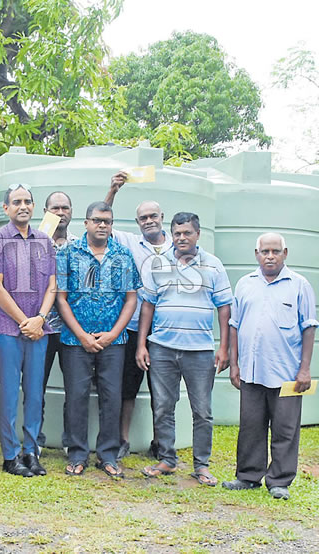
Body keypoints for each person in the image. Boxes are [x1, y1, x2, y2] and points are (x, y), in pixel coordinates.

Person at [136, 212, 232, 487]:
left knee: (202, 411)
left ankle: (201, 466)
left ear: (197, 234)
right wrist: (142, 344)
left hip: (199, 351)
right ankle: (167, 459)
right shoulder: (158, 264)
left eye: (187, 233)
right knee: (163, 407)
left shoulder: (213, 265)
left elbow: (224, 308)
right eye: (177, 233)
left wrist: (223, 347)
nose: (181, 238)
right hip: (162, 348)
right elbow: (148, 305)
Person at [222, 233, 317, 500]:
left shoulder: (299, 285)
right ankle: (248, 476)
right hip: (252, 370)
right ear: (257, 254)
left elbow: (309, 328)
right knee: (250, 426)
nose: (270, 256)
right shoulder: (245, 284)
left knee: (285, 429)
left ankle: (279, 481)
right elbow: (234, 325)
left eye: (276, 251)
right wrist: (234, 364)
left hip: (287, 373)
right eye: (265, 252)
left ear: (285, 253)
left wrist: (305, 369)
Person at [56, 201, 140, 478]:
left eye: (107, 221)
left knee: (111, 397)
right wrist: (81, 335)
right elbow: (61, 299)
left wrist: (114, 333)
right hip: (75, 340)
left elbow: (131, 299)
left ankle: (108, 454)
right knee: (76, 396)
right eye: (97, 220)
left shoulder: (122, 255)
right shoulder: (69, 253)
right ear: (86, 223)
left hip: (113, 341)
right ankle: (77, 453)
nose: (102, 225)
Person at [0, 184, 57, 477]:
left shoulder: (44, 241)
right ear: (6, 208)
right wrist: (24, 321)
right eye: (16, 202)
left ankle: (31, 452)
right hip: (8, 329)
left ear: (34, 206)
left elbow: (52, 285)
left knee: (35, 393)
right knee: (10, 393)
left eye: (27, 201)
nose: (23, 206)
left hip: (39, 330)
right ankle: (10, 455)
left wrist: (39, 318)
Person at [104, 173, 172, 460]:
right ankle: (123, 440)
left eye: (153, 216)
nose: (149, 221)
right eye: (143, 218)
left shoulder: (177, 246)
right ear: (137, 222)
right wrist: (112, 191)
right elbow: (103, 223)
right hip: (133, 328)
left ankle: (161, 442)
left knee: (163, 391)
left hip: (166, 330)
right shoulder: (131, 242)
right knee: (127, 388)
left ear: (162, 217)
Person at [39, 191, 78, 450]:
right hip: (41, 328)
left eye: (65, 207)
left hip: (72, 329)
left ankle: (70, 442)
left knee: (74, 389)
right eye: (55, 208)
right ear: (46, 212)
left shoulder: (79, 244)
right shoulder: (35, 242)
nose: (61, 212)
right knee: (35, 387)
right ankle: (35, 442)